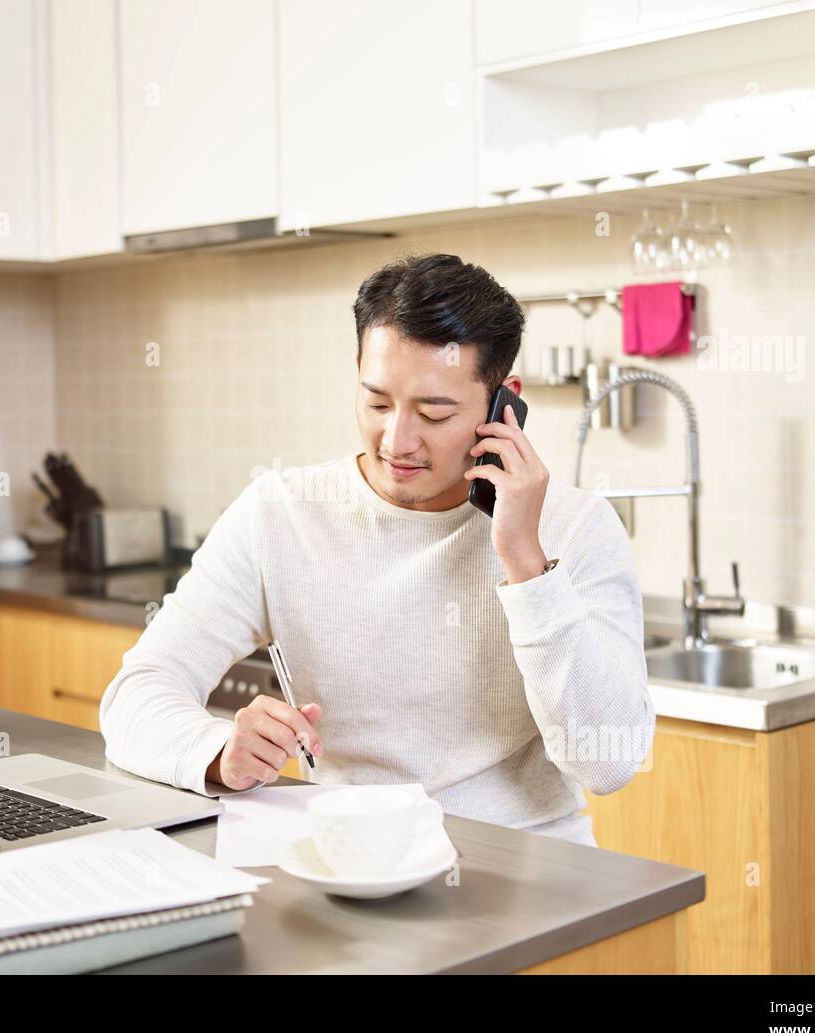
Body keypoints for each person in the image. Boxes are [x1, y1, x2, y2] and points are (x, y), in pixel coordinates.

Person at [98, 253, 654, 847]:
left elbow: (610, 764)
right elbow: (136, 694)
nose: (398, 441)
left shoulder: (575, 527)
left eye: (434, 413)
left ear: (504, 406)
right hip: (348, 859)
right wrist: (216, 751)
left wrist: (525, 560)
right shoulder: (279, 513)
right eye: (378, 402)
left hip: (525, 863)